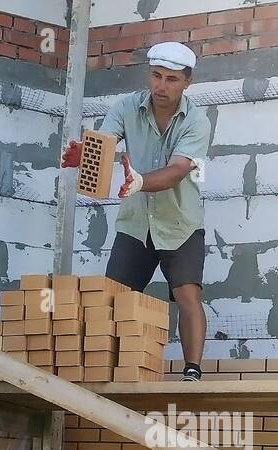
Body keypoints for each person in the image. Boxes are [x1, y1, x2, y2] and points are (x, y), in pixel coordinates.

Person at [60, 42, 212, 382]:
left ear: (187, 82)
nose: (161, 86)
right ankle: (107, 369)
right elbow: (104, 143)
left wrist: (139, 180)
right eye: (156, 76)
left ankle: (192, 372)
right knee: (114, 297)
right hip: (135, 224)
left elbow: (176, 171)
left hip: (180, 223)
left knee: (188, 294)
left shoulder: (197, 122)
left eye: (171, 79)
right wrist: (85, 155)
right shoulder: (126, 106)